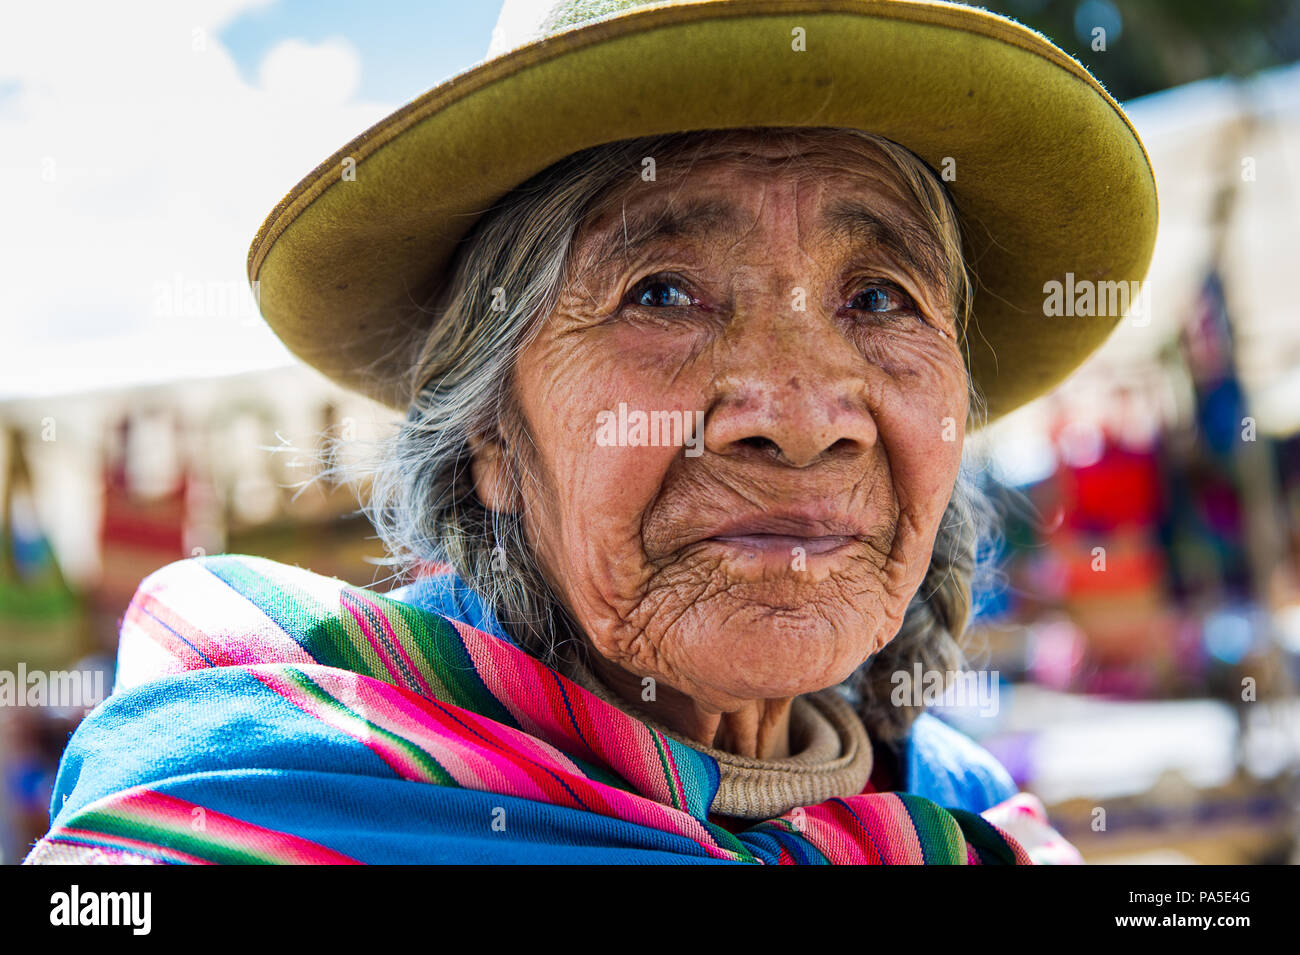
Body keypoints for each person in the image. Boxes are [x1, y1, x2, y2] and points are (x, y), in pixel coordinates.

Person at [26, 0, 1154, 864]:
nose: (803, 421)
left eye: (879, 300)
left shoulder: (968, 824)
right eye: (662, 294)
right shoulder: (253, 807)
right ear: (491, 438)